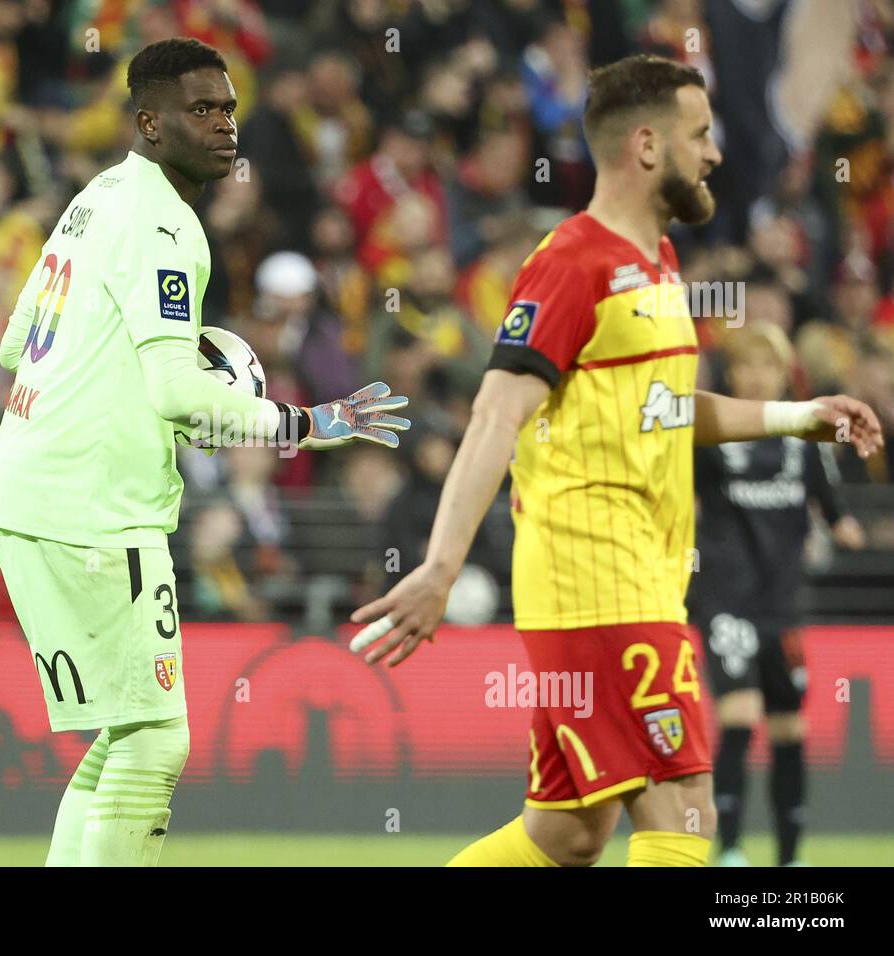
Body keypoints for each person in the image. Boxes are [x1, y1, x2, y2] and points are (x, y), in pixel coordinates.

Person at [349, 54, 884, 868]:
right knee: (685, 812)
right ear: (645, 145)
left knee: (567, 833)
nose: (713, 154)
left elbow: (666, 410)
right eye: (699, 135)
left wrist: (795, 416)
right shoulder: (573, 263)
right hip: (597, 575)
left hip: (632, 576)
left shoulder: (660, 267)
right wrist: (440, 566)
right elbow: (497, 410)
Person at [0, 37, 410, 868]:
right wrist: (310, 422)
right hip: (94, 512)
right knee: (157, 744)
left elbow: (13, 345)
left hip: (28, 492)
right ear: (148, 122)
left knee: (122, 737)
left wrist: (119, 383)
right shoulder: (165, 224)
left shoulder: (95, 199)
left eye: (228, 108)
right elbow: (179, 392)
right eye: (199, 110)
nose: (222, 125)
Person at [689, 323, 864, 867]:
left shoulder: (805, 444)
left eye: (768, 365)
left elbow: (839, 521)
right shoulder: (710, 440)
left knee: (790, 729)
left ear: (784, 372)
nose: (757, 375)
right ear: (732, 373)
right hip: (726, 604)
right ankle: (732, 850)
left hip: (784, 608)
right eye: (746, 365)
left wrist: (848, 532)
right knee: (739, 717)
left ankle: (790, 858)